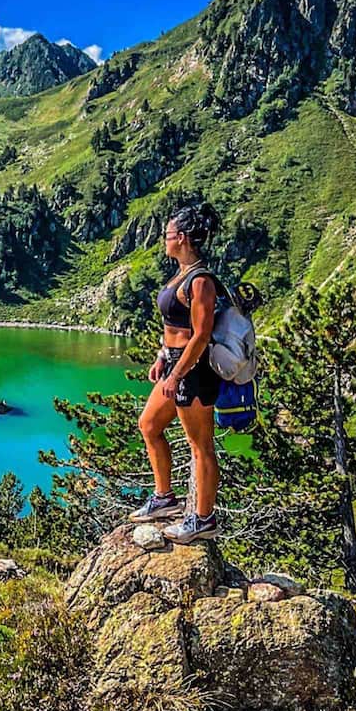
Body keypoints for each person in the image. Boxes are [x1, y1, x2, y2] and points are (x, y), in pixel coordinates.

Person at [131, 202, 222, 543]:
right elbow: (174, 324)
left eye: (167, 235)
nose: (163, 239)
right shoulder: (181, 275)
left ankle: (203, 519)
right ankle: (164, 498)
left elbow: (200, 335)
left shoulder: (201, 281)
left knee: (200, 447)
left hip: (193, 370)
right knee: (149, 425)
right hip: (173, 364)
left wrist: (176, 374)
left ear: (181, 238)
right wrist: (161, 356)